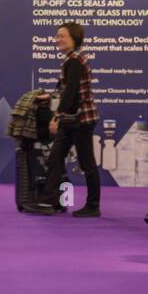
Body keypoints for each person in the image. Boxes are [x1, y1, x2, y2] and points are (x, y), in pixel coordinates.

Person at [31, 22, 101, 218]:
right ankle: (51, 200)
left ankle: (93, 205)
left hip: (80, 119)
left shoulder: (74, 60)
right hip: (74, 119)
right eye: (57, 36)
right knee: (55, 157)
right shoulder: (72, 59)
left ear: (74, 38)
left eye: (63, 36)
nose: (58, 39)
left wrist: (56, 117)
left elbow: (71, 93)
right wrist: (50, 97)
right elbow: (65, 88)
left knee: (86, 163)